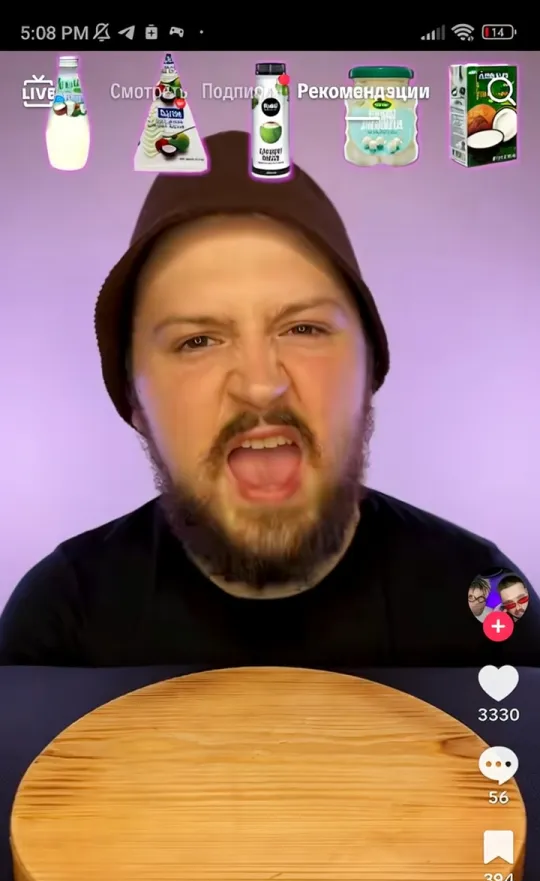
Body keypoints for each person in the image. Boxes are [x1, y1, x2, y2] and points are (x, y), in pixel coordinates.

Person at [0, 130, 539, 669]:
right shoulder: (63, 620)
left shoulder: (482, 599)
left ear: (370, 366)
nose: (260, 383)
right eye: (198, 341)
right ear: (135, 402)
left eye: (303, 329)